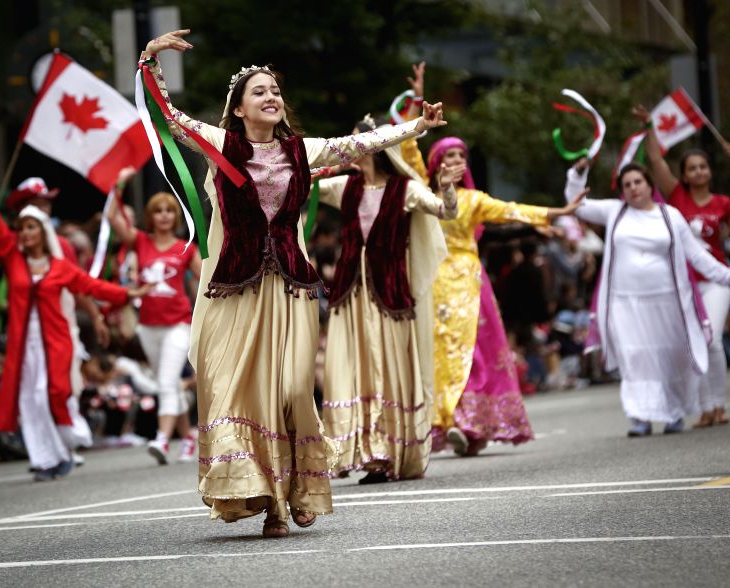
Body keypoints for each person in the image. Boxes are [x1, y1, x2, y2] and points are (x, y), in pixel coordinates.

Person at [142, 29, 449, 537]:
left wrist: (416, 125)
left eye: (276, 91)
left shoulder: (302, 150)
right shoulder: (220, 144)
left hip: (292, 291)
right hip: (237, 291)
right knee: (243, 395)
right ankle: (273, 504)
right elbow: (168, 118)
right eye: (259, 92)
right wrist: (150, 60)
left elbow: (361, 142)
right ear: (238, 108)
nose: (271, 98)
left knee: (290, 390)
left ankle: (302, 486)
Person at [0, 160, 149, 481]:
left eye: (31, 228)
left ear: (42, 232)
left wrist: (129, 293)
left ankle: (66, 446)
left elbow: (93, 287)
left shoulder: (60, 266)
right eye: (22, 228)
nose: (24, 233)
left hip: (56, 341)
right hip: (22, 345)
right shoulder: (14, 259)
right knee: (32, 398)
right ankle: (46, 459)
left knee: (54, 393)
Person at [316, 116, 461, 483]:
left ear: (376, 147)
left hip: (390, 297)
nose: (349, 147)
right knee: (350, 369)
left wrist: (446, 188)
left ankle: (385, 451)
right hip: (350, 297)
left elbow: (446, 212)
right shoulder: (342, 187)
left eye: (354, 141)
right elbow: (297, 188)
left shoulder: (404, 189)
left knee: (387, 369)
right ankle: (353, 451)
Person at [426, 137, 583, 455]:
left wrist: (556, 212)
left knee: (475, 351)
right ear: (435, 163)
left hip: (469, 283)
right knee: (442, 351)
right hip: (432, 282)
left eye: (462, 155)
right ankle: (450, 418)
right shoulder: (420, 197)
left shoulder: (472, 200)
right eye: (449, 155)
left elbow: (510, 210)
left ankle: (472, 423)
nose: (457, 160)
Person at [566, 162, 730, 436]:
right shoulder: (615, 211)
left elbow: (700, 259)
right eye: (627, 185)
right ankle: (640, 416)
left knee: (669, 356)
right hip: (625, 303)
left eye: (637, 182)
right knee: (634, 356)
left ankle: (673, 413)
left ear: (649, 185)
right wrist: (577, 173)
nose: (633, 188)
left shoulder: (670, 216)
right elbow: (576, 204)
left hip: (667, 302)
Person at [632, 105, 730, 428]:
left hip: (715, 279)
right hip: (682, 281)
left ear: (710, 172)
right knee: (693, 343)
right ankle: (704, 408)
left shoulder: (723, 204)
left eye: (704, 167)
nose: (699, 172)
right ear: (684, 175)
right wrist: (649, 127)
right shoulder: (676, 197)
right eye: (693, 168)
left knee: (711, 339)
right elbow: (657, 161)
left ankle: (719, 403)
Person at [108, 169, 201, 465]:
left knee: (166, 380)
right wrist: (119, 182)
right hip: (148, 326)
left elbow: (206, 282)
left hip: (178, 324)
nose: (163, 216)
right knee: (169, 383)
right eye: (157, 211)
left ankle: (161, 440)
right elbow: (112, 217)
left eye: (168, 211)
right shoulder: (141, 242)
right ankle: (188, 437)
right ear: (150, 216)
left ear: (176, 217)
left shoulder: (186, 248)